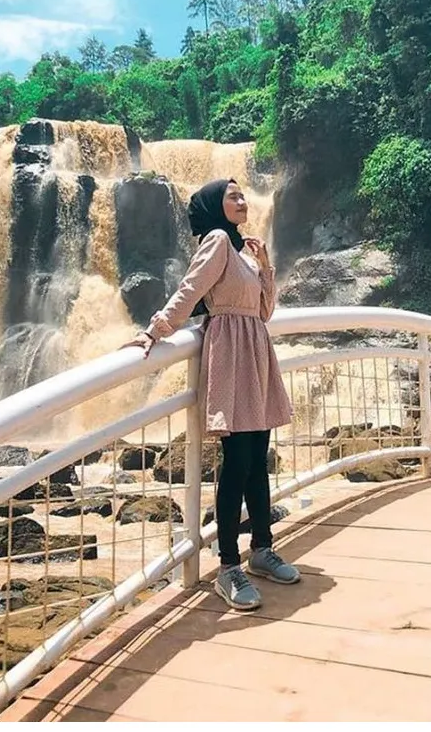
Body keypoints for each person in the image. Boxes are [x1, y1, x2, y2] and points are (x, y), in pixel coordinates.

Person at [122, 178, 299, 611]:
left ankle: (261, 549)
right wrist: (157, 329)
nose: (241, 201)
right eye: (232, 195)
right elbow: (192, 289)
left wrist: (265, 264)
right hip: (229, 352)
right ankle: (227, 569)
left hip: (255, 348)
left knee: (258, 459)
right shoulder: (218, 239)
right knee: (237, 463)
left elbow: (263, 311)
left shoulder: (242, 249)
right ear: (213, 206)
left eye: (243, 195)